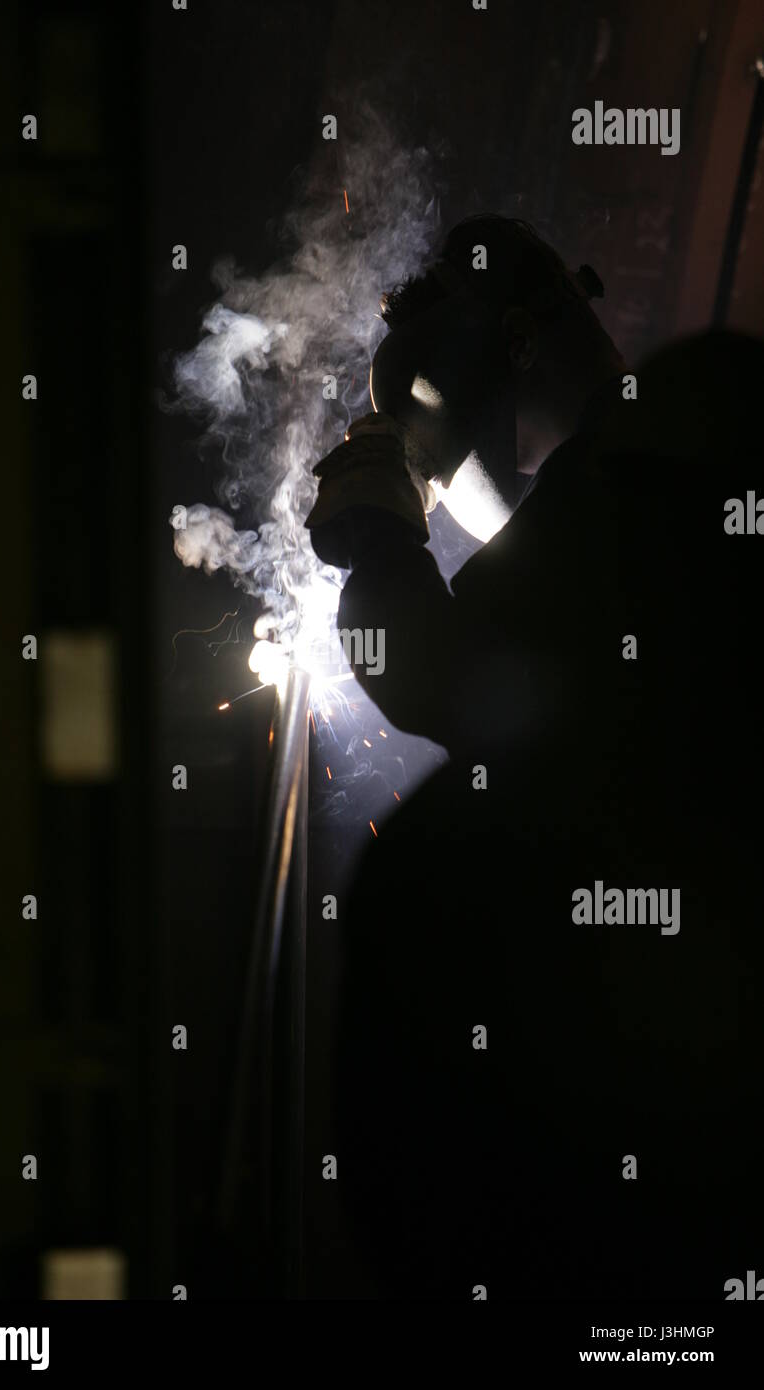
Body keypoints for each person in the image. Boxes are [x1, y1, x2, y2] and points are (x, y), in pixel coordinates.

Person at [306, 215, 764, 1299]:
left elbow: (444, 677)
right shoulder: (683, 440)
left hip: (704, 1013)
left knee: (426, 874)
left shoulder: (628, 490)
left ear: (512, 350)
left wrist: (378, 544)